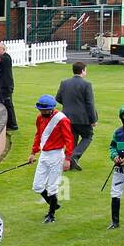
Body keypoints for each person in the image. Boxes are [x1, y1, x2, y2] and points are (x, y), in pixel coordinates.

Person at [28, 94, 74, 223]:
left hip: (56, 155)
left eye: (45, 110)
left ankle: (51, 215)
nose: (42, 112)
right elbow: (38, 135)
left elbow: (69, 139)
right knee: (37, 186)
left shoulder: (62, 120)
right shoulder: (39, 118)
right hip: (44, 154)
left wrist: (68, 158)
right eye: (41, 110)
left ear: (52, 108)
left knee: (52, 186)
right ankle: (54, 204)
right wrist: (33, 152)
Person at [55, 61, 97, 170]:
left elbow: (58, 98)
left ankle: (69, 163)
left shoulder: (64, 83)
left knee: (72, 139)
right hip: (82, 118)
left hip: (67, 116)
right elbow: (90, 103)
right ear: (83, 70)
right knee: (88, 136)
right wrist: (93, 119)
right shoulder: (86, 84)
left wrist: (68, 105)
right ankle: (74, 156)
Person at [0, 43, 16, 132]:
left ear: (4, 50)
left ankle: (13, 125)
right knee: (2, 103)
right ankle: (8, 124)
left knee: (7, 104)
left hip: (6, 86)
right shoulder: (0, 59)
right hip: (1, 85)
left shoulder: (6, 58)